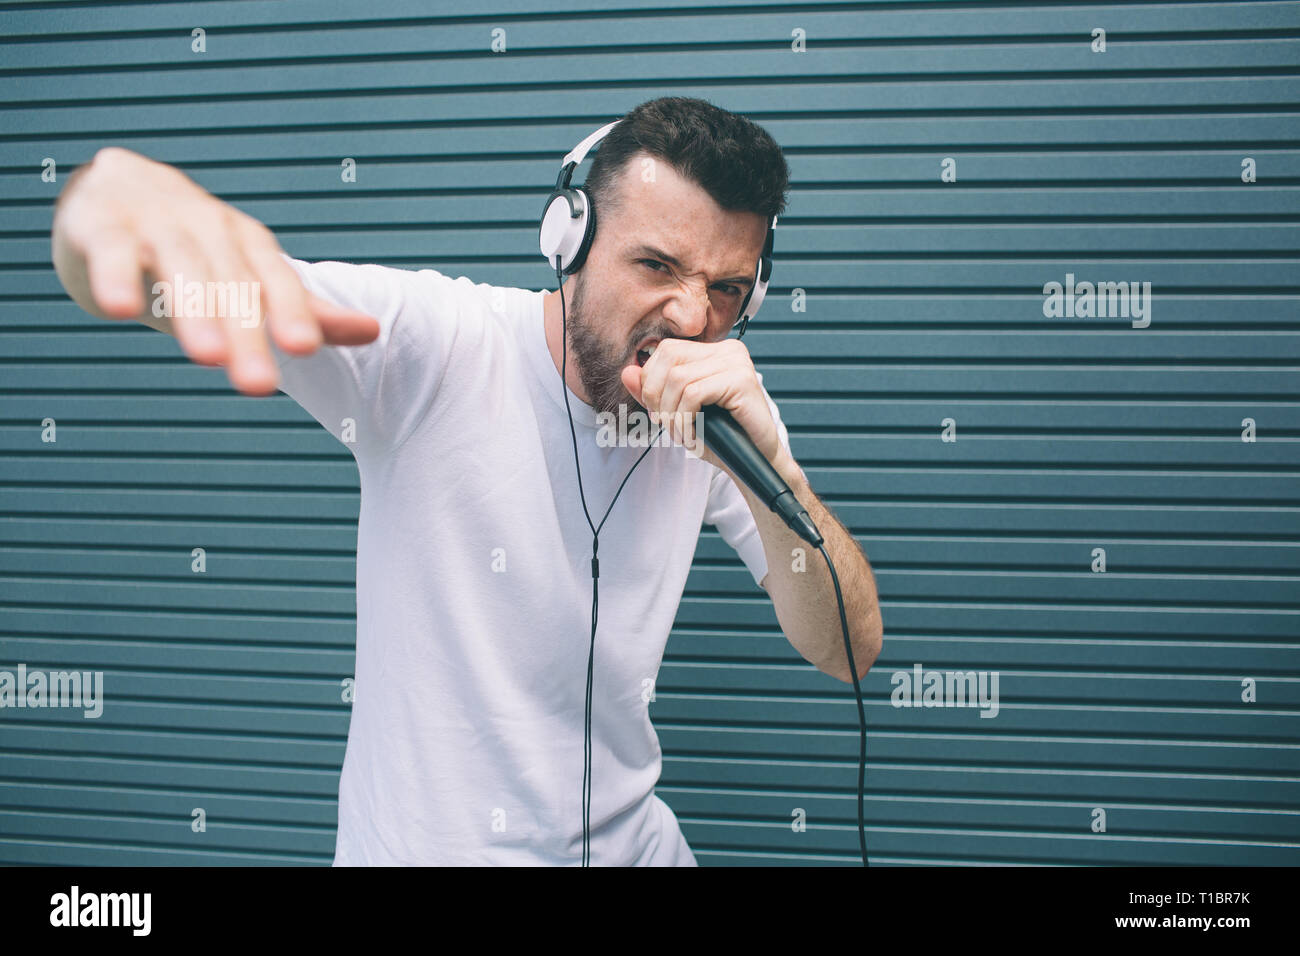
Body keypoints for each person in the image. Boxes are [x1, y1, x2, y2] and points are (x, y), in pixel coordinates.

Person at [50, 95, 883, 866]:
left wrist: (771, 470)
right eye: (657, 265)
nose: (693, 317)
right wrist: (104, 213)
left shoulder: (720, 403)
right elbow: (145, 277)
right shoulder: (435, 343)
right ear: (571, 241)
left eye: (728, 288)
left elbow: (849, 650)